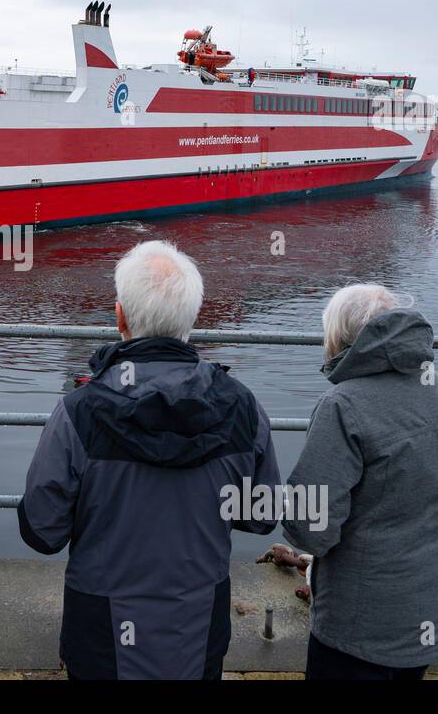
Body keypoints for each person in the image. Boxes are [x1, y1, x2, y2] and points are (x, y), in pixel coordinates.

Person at [19, 240, 280, 679]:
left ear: (120, 315)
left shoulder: (79, 411)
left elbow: (43, 531)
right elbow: (263, 516)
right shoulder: (242, 409)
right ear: (192, 318)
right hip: (198, 624)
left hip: (102, 627)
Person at [282, 284, 438, 680]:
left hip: (361, 625)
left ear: (339, 337)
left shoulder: (343, 405)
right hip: (429, 608)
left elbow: (311, 530)